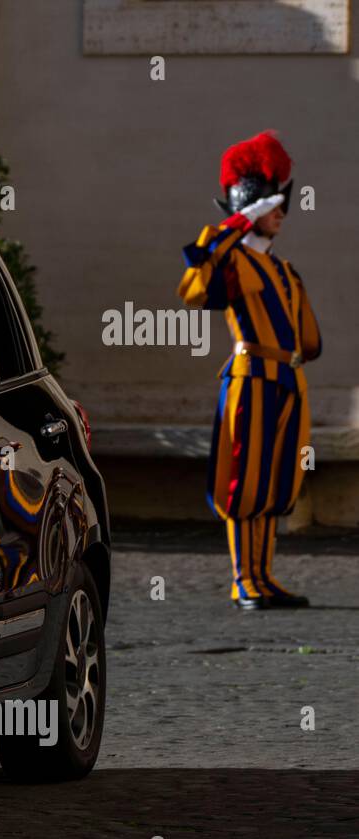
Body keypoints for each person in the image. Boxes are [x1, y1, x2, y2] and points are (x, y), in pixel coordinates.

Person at [177, 131, 322, 609]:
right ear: (248, 204)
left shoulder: (285, 270)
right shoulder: (231, 259)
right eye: (272, 202)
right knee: (245, 480)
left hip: (287, 379)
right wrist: (241, 220)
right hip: (250, 378)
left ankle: (264, 575)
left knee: (276, 481)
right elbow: (193, 287)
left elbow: (310, 342)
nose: (281, 211)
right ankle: (243, 580)